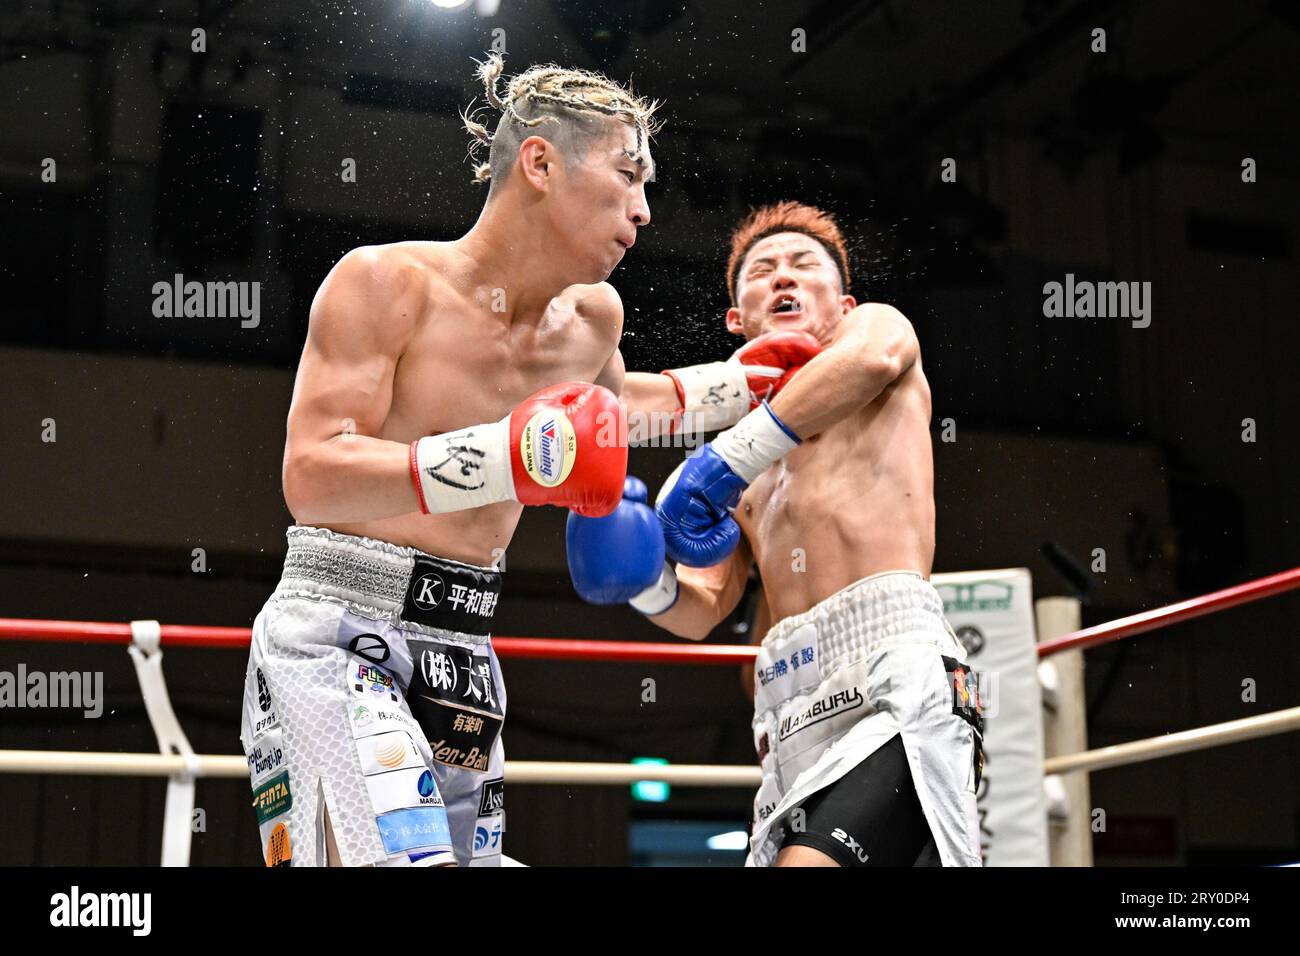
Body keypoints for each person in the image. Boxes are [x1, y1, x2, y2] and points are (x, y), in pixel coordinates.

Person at [238, 54, 657, 867]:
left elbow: (625, 412)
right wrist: (495, 459)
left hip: (468, 651)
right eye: (628, 175)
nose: (643, 210)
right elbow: (312, 474)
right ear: (539, 163)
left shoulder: (592, 322)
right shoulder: (386, 282)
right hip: (341, 631)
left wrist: (768, 389)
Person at [567, 201, 984, 867]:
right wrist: (642, 578)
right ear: (737, 320)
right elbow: (705, 608)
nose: (783, 278)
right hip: (789, 705)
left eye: (803, 266)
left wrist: (726, 458)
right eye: (763, 271)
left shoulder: (876, 335)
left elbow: (873, 358)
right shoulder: (745, 473)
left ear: (843, 302)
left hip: (891, 671)